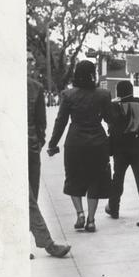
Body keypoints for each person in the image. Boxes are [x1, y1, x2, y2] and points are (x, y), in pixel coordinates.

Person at [47, 60, 112, 233]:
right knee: (95, 181)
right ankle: (91, 220)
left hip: (75, 143)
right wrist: (113, 143)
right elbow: (110, 120)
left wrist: (52, 144)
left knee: (74, 178)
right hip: (98, 143)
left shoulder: (68, 95)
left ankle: (80, 214)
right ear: (93, 74)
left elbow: (60, 122)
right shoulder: (103, 94)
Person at [27, 50, 71, 258]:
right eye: (25, 59)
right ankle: (47, 243)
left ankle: (20, 243)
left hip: (31, 150)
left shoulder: (36, 88)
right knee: (26, 198)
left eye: (31, 59)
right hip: (9, 151)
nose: (29, 63)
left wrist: (37, 142)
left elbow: (41, 123)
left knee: (31, 195)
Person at [106, 80, 139, 228]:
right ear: (132, 91)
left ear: (118, 93)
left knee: (118, 177)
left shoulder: (115, 107)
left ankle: (113, 207)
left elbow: (111, 125)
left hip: (120, 149)